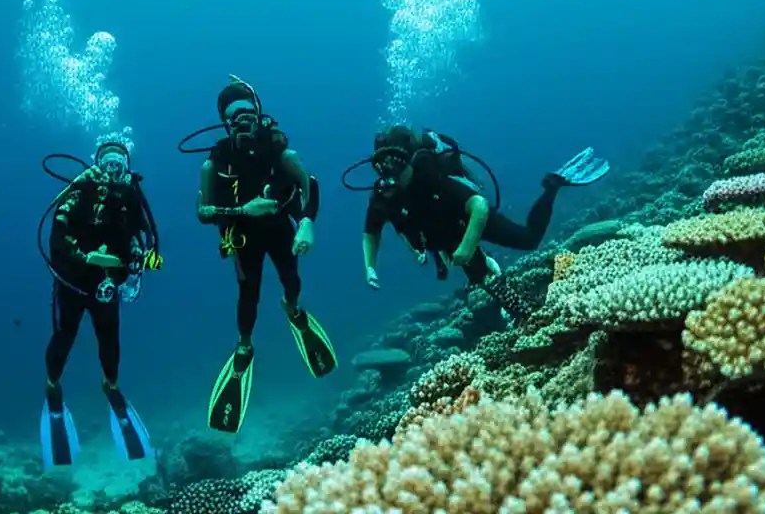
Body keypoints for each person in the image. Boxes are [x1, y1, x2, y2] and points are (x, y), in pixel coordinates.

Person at [181, 76, 335, 434]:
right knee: (248, 292)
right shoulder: (214, 162)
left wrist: (308, 222)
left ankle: (292, 309)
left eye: (247, 113)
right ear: (225, 123)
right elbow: (203, 213)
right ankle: (245, 344)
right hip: (243, 237)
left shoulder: (280, 150)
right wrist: (244, 211)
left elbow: (309, 184)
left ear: (259, 114)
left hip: (281, 229)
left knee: (292, 279)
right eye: (234, 117)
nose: (243, 121)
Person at [357, 125, 609, 290]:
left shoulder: (429, 172)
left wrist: (467, 246)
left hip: (469, 220)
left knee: (529, 240)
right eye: (385, 168)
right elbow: (371, 232)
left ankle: (552, 187)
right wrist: (370, 267)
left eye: (398, 166)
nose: (393, 174)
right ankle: (516, 312)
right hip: (448, 238)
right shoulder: (383, 196)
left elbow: (478, 205)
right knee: (482, 281)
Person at [37, 142, 163, 467]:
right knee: (65, 334)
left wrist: (139, 263)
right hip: (74, 282)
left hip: (107, 284)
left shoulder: (131, 196)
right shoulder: (79, 190)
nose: (112, 169)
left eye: (119, 163)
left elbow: (145, 238)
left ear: (126, 165)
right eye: (107, 162)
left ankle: (112, 386)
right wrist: (87, 257)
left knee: (109, 337)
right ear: (96, 164)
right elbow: (56, 237)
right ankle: (53, 387)